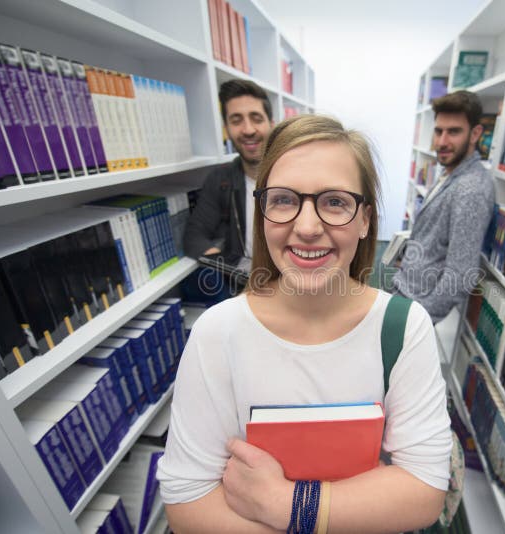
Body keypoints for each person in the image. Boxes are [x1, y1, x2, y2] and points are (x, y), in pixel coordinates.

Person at [158, 115, 452, 533]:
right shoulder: (218, 333)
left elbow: (424, 489)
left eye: (335, 201)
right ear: (261, 212)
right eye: (282, 200)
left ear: (366, 219)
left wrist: (286, 505)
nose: (308, 227)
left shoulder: (404, 328)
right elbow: (188, 503)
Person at [393, 90, 496, 323]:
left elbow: (460, 275)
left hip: (417, 308)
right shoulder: (451, 173)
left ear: (475, 134)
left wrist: (417, 324)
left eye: (454, 132)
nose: (442, 142)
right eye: (439, 131)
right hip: (406, 292)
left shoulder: (470, 190)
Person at [183, 79, 274, 260]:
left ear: (271, 125)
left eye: (256, 119)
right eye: (236, 120)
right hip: (243, 282)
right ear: (227, 129)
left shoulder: (298, 176)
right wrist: (231, 268)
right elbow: (194, 236)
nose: (248, 130)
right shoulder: (220, 178)